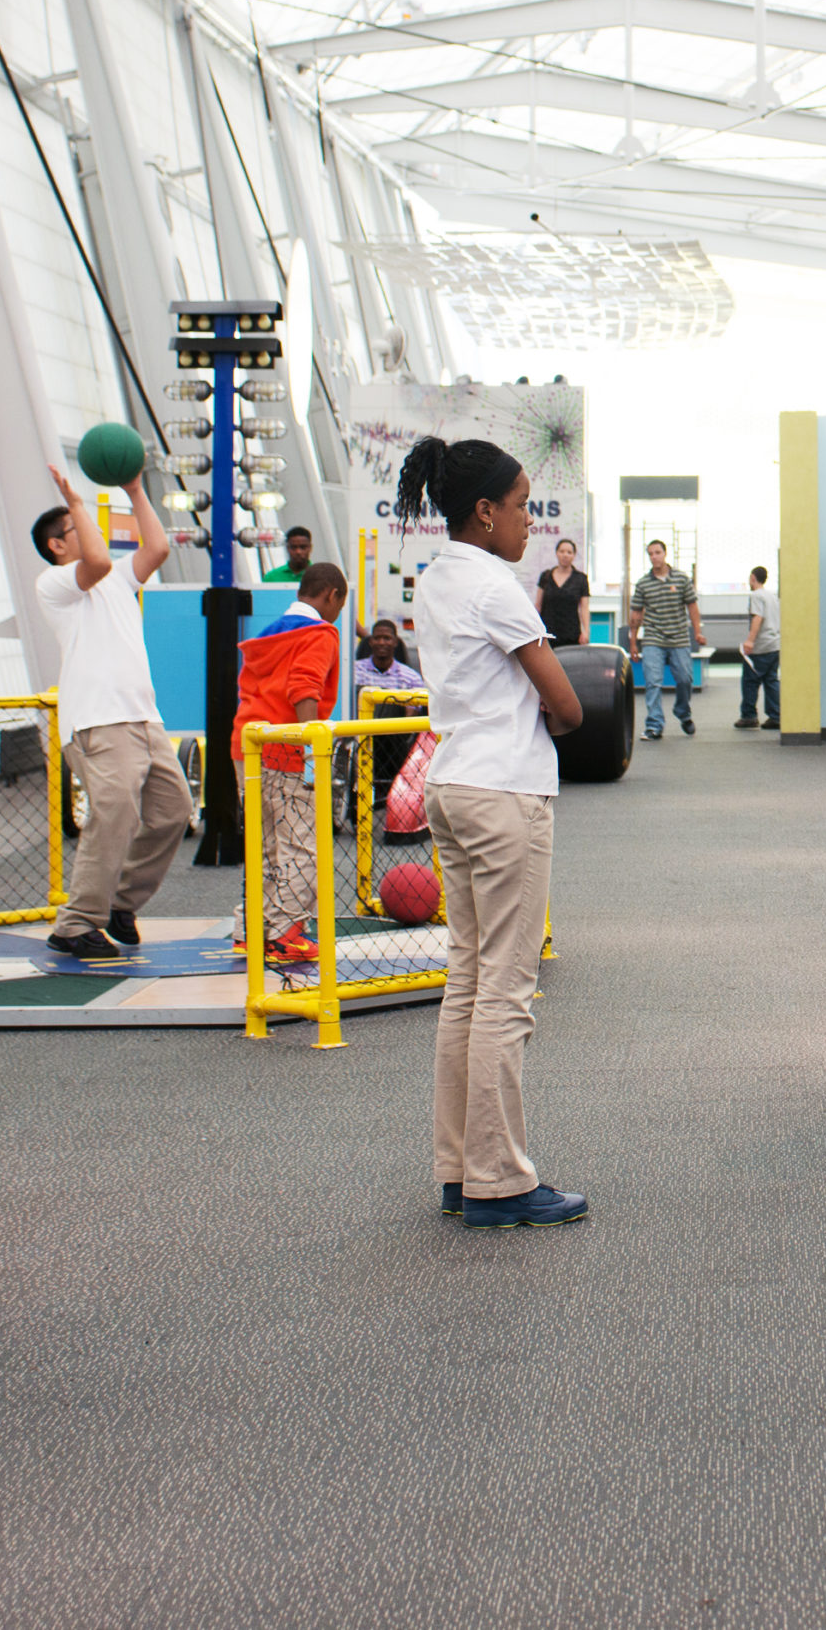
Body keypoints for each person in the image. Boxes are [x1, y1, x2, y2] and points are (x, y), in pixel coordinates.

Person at [401, 434, 588, 1228]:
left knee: (468, 982)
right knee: (507, 991)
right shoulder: (500, 588)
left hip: (450, 784)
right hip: (505, 790)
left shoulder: (437, 578)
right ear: (484, 511)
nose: (528, 523)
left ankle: (459, 1167)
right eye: (519, 507)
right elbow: (569, 706)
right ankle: (501, 1179)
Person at [32, 463, 186, 961]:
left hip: (144, 718)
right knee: (114, 812)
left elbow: (157, 549)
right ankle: (77, 924)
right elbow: (94, 561)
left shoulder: (118, 580)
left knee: (173, 810)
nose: (92, 534)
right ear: (58, 544)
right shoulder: (54, 583)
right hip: (98, 722)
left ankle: (121, 902)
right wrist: (73, 500)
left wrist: (137, 491)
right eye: (79, 528)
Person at [233, 562, 348, 969]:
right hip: (287, 749)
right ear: (332, 594)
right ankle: (286, 933)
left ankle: (253, 930)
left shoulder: (266, 634)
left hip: (247, 747)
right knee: (301, 844)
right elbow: (304, 687)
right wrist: (311, 751)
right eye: (340, 603)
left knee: (262, 846)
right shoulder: (319, 634)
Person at [625, 537, 702, 739]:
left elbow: (692, 607)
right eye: (650, 554)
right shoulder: (643, 584)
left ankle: (683, 713)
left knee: (685, 679)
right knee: (653, 682)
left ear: (665, 554)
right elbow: (635, 614)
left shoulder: (681, 579)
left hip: (679, 638)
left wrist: (698, 632)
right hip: (653, 638)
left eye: (657, 552)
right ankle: (654, 725)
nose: (654, 557)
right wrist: (633, 642)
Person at [354, 615, 427, 824]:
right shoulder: (354, 671)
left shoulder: (411, 677)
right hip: (359, 735)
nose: (382, 643)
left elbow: (412, 715)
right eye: (377, 638)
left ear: (395, 642)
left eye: (387, 638)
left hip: (394, 740)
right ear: (370, 642)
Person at [737, 564, 784, 730]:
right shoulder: (772, 596)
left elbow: (758, 618)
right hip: (775, 644)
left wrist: (750, 641)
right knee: (771, 680)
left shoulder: (756, 595)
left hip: (761, 646)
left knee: (750, 681)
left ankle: (749, 716)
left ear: (752, 578)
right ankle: (776, 715)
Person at [537, 537, 590, 646]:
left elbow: (584, 607)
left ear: (574, 555)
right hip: (547, 634)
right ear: (556, 553)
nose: (565, 555)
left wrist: (586, 631)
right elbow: (538, 605)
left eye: (569, 552)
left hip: (572, 635)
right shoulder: (545, 576)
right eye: (562, 551)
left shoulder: (581, 579)